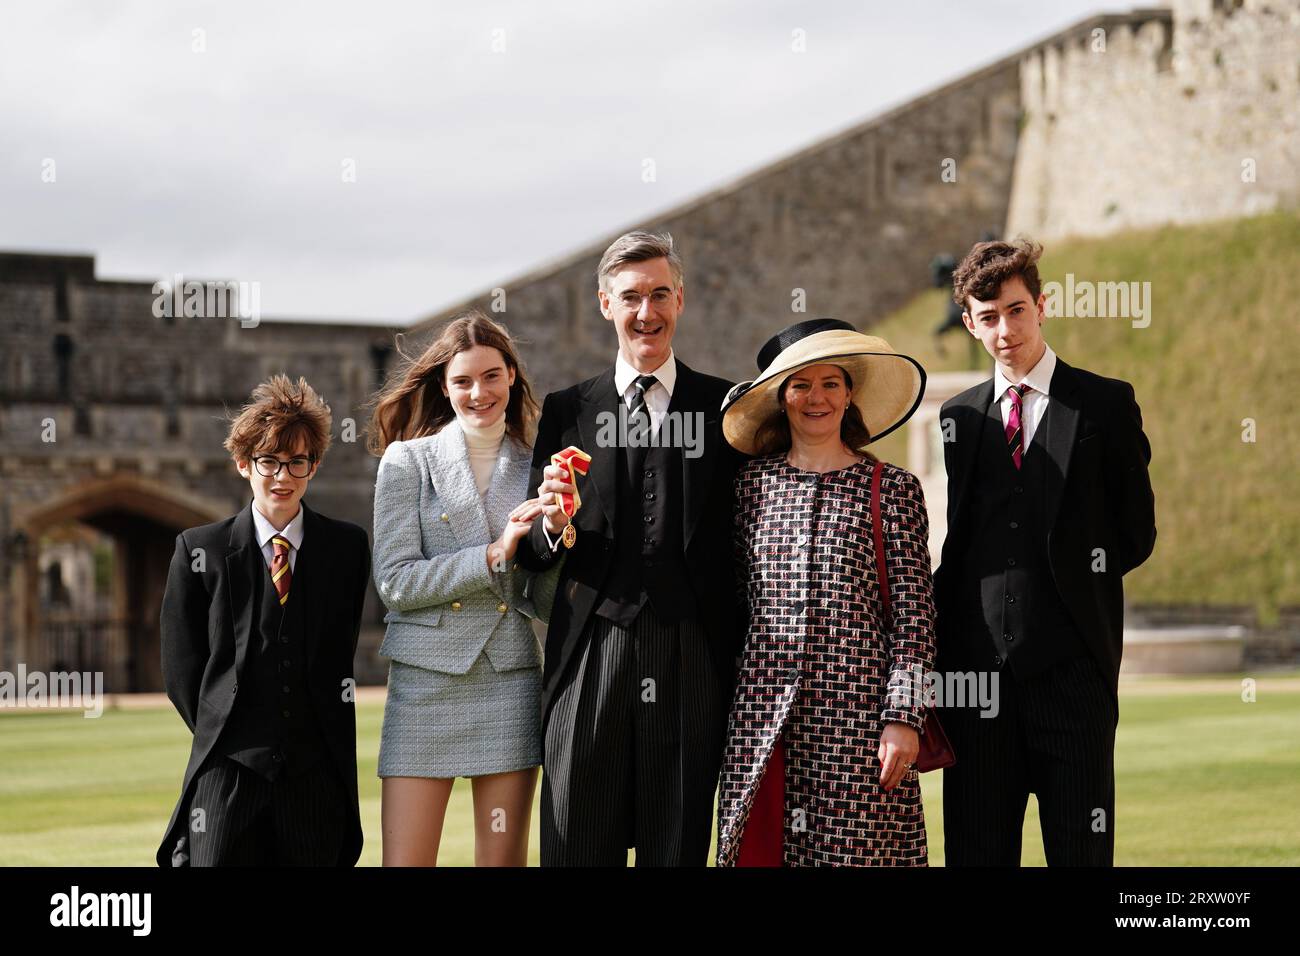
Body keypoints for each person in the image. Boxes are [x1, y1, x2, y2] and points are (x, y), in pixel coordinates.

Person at [512, 230, 744, 866]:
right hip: (591, 647)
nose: (648, 312)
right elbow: (534, 553)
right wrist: (553, 523)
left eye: (661, 295)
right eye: (632, 297)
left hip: (691, 653)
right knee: (578, 839)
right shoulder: (566, 410)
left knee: (676, 844)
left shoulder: (725, 407)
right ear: (605, 303)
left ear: (681, 301)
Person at [934, 238, 1156, 866]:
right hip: (974, 684)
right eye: (988, 317)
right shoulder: (961, 417)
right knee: (976, 855)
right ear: (972, 325)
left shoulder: (1106, 404)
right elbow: (965, 544)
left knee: (1082, 856)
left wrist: (1067, 603)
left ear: (1041, 305)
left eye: (1015, 310)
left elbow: (1135, 534)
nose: (1005, 330)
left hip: (1073, 677)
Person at [714, 318, 934, 866]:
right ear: (781, 398)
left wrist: (904, 715)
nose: (817, 397)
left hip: (859, 726)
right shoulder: (748, 487)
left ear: (849, 393)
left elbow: (915, 617)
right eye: (801, 385)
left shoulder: (892, 488)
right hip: (763, 725)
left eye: (830, 383)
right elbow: (735, 606)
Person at [368, 310, 557, 866]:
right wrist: (493, 554)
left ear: (512, 377)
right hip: (425, 682)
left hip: (509, 678)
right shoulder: (406, 462)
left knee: (501, 862)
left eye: (492, 376)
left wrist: (558, 538)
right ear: (444, 387)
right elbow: (395, 582)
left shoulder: (538, 468)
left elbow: (542, 600)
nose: (480, 392)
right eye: (463, 381)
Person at [157, 375, 371, 866]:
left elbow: (336, 652)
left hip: (316, 775)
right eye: (269, 461)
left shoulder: (346, 547)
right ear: (243, 463)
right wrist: (229, 728)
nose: (282, 476)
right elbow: (181, 669)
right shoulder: (199, 549)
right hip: (227, 771)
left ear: (313, 465)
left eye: (297, 461)